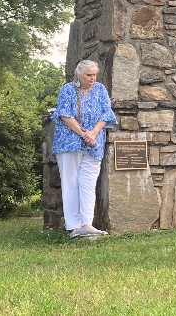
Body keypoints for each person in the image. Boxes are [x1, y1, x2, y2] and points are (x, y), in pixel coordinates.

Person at [52, 60, 117, 238]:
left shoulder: (100, 90)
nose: (92, 78)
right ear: (79, 75)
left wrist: (94, 133)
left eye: (94, 74)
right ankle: (73, 226)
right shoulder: (67, 89)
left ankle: (87, 224)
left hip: (94, 143)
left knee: (88, 182)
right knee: (70, 182)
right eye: (89, 75)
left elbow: (107, 113)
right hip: (69, 143)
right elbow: (65, 114)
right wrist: (83, 134)